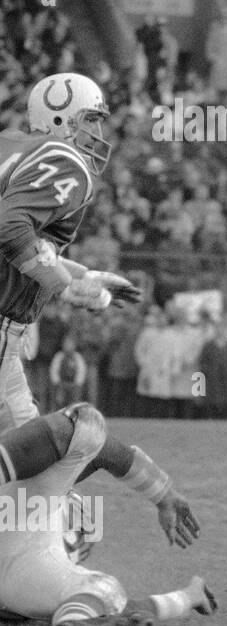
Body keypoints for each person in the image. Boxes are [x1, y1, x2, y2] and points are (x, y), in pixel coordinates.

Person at [0, 72, 143, 434]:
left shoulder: (10, 144)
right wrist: (65, 287)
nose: (98, 132)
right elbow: (9, 227)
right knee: (16, 424)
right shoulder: (64, 157)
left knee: (20, 422)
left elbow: (17, 241)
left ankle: (43, 493)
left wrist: (82, 275)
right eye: (91, 118)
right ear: (60, 119)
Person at [0, 402, 216, 626]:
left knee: (105, 594)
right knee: (105, 591)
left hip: (24, 563)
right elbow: (100, 446)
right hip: (22, 572)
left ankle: (75, 625)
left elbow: (96, 444)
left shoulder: (37, 510)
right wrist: (190, 595)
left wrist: (191, 595)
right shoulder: (42, 553)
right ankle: (72, 625)